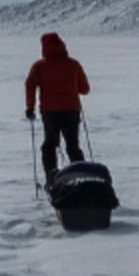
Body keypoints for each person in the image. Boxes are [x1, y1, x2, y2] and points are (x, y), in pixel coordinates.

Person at [24, 31, 91, 178]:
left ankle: (51, 177)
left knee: (49, 145)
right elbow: (85, 89)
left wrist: (30, 107)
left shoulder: (39, 66)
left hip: (50, 112)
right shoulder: (73, 64)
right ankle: (81, 176)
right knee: (73, 146)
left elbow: (30, 85)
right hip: (71, 110)